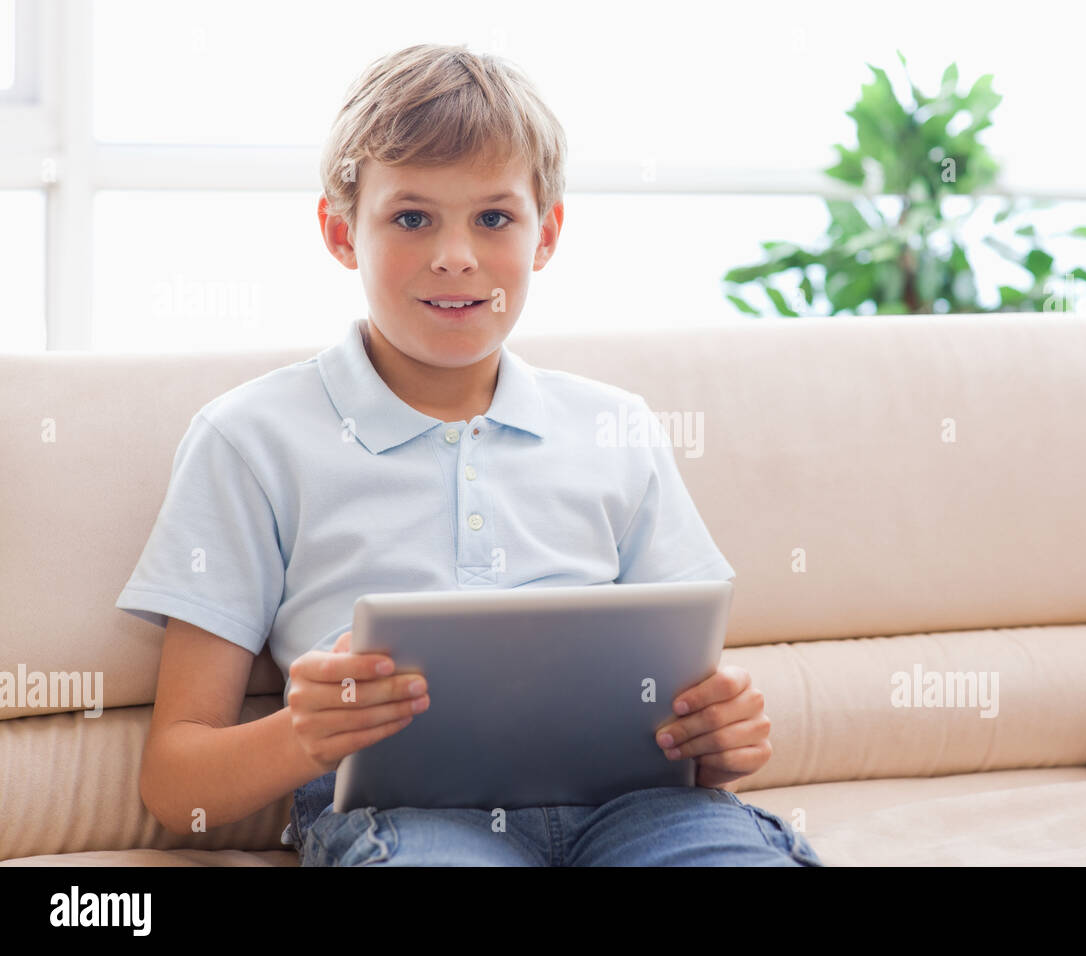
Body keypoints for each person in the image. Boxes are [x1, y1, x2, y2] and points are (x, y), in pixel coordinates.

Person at [117, 42, 822, 867]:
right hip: (408, 817)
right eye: (412, 218)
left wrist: (722, 741)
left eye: (493, 218)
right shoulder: (249, 439)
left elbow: (692, 711)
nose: (456, 256)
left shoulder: (616, 427)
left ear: (545, 234)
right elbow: (177, 787)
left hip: (644, 809)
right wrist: (302, 735)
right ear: (341, 232)